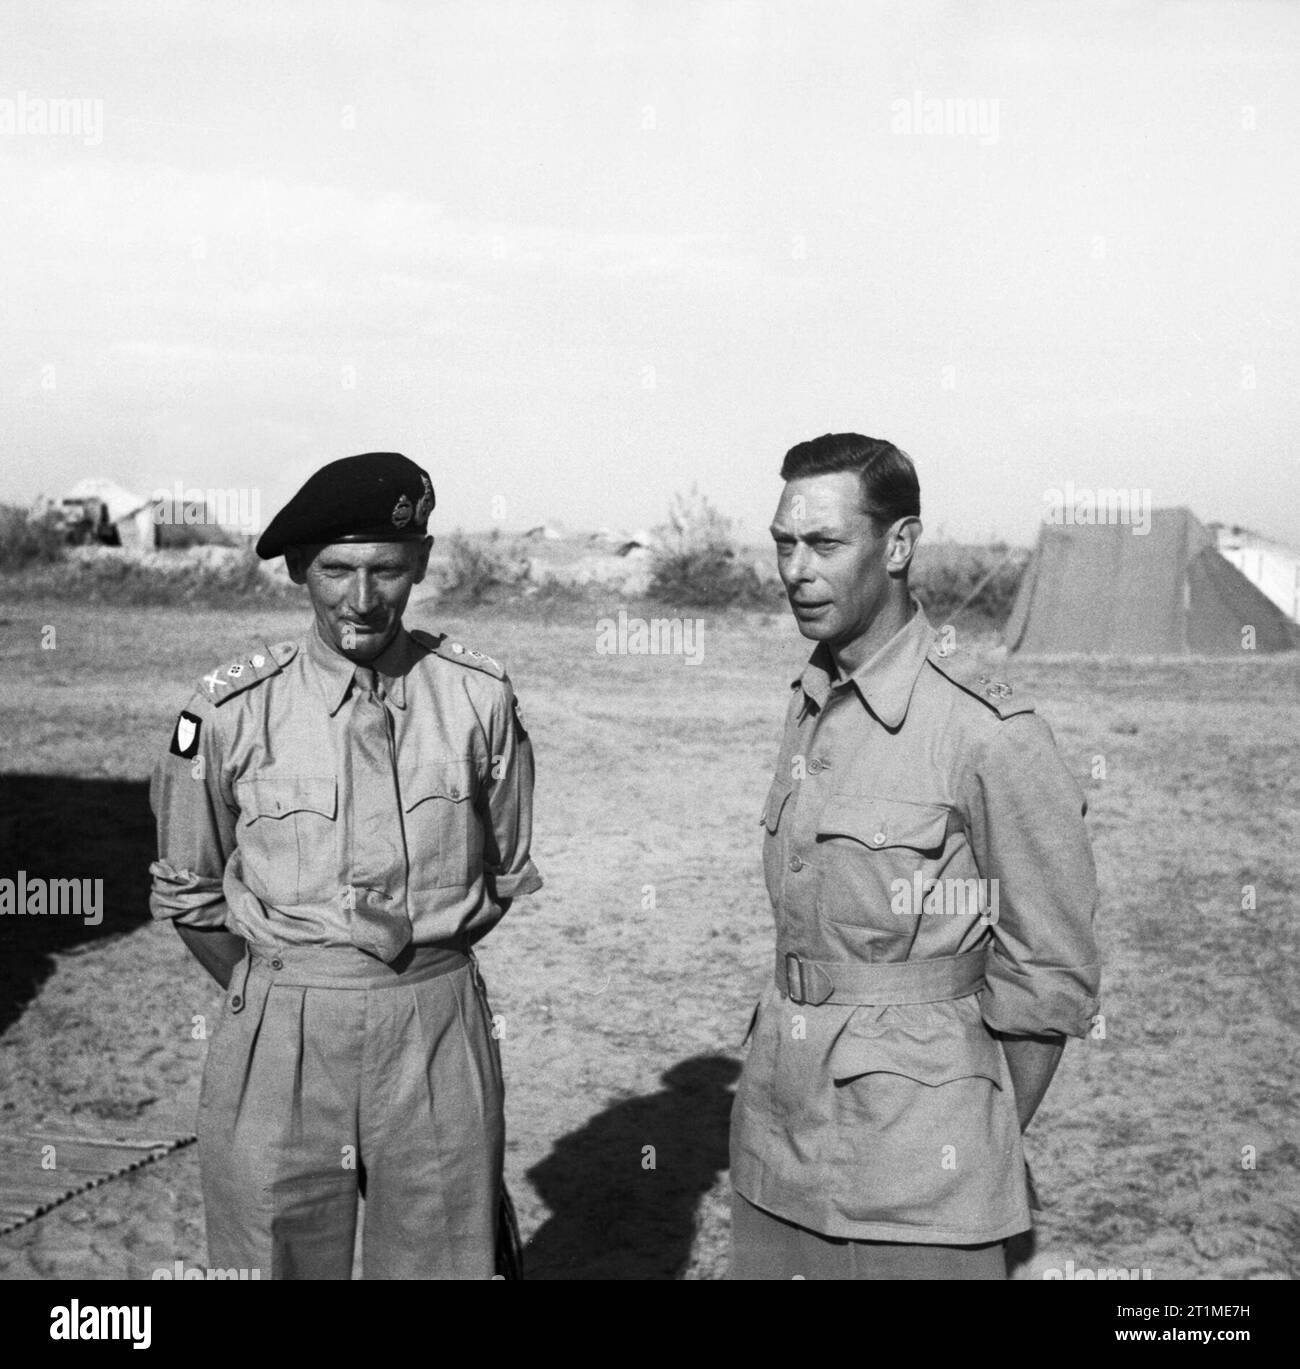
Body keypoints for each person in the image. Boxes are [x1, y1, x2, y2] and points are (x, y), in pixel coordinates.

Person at [148, 451, 541, 1279]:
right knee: (272, 1253)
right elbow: (189, 891)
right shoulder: (226, 712)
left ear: (423, 564)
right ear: (299, 569)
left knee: (443, 1259)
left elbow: (501, 870)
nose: (362, 599)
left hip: (435, 1024)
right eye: (336, 569)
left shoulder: (478, 699)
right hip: (281, 1028)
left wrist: (415, 973)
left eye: (388, 570)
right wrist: (288, 988)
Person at [729, 433, 1101, 1280]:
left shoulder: (985, 729)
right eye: (784, 542)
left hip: (918, 1180)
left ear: (898, 545)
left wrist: (966, 1131)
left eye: (824, 543)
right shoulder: (811, 699)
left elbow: (1049, 971)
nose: (795, 569)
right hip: (775, 1141)